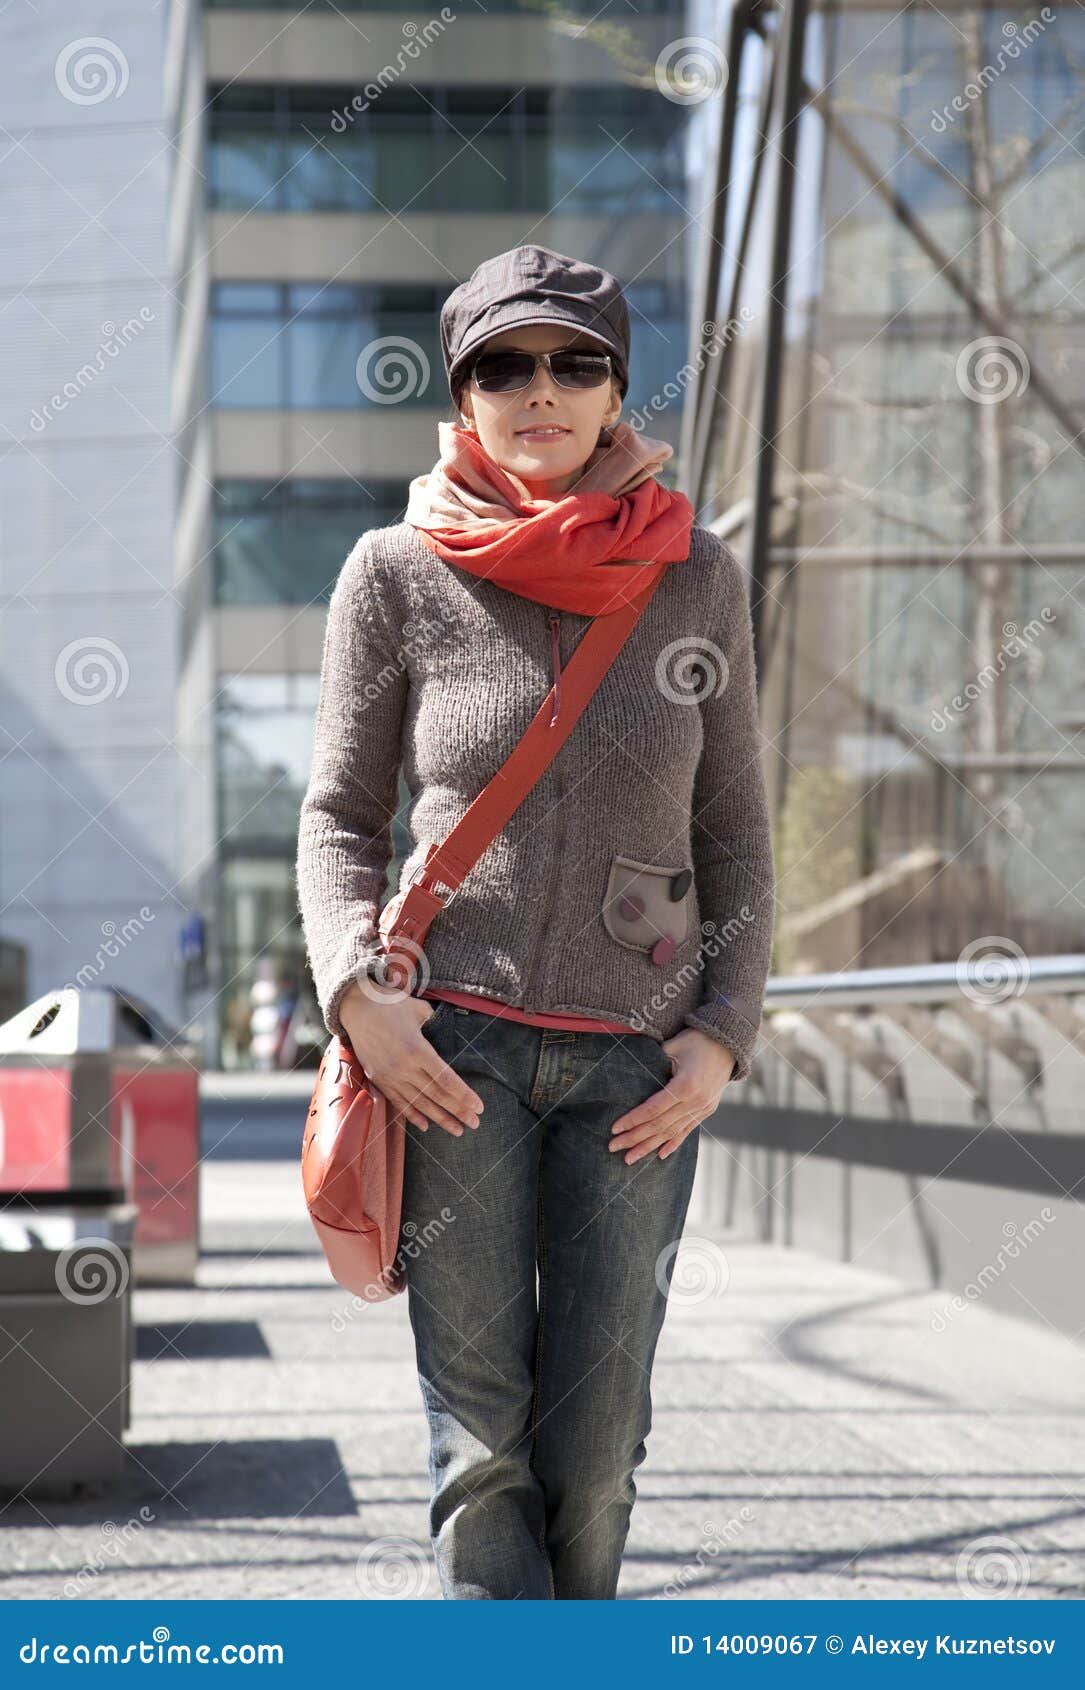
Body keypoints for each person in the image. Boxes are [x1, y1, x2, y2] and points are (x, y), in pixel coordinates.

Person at [296, 244, 775, 1600]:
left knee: (599, 1452)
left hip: (636, 1069)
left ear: (617, 386)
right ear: (463, 397)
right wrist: (355, 996)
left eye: (573, 361)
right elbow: (338, 813)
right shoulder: (393, 573)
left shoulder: (698, 576)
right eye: (502, 365)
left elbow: (734, 831)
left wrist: (720, 1040)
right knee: (480, 1449)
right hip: (452, 1062)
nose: (539, 389)